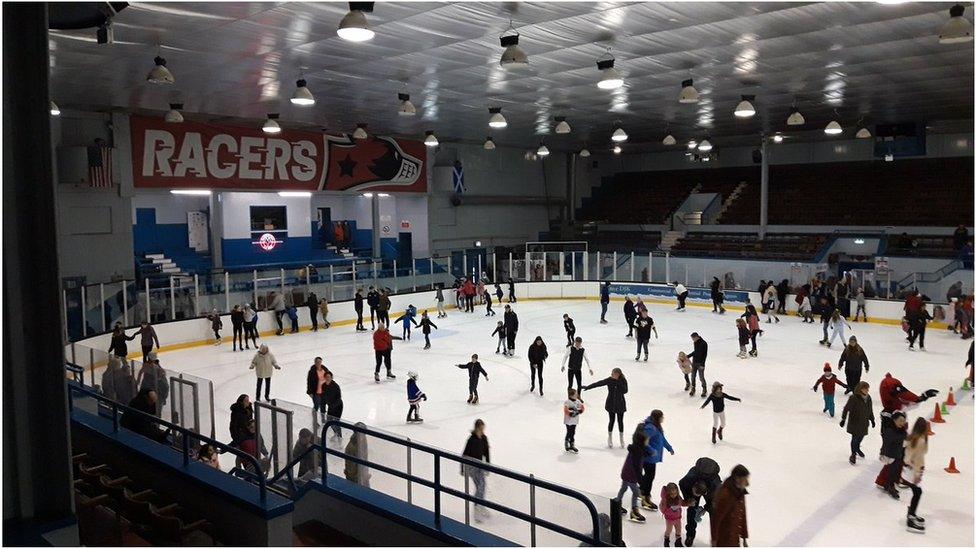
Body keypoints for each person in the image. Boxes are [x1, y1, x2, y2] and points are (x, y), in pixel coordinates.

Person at [678, 457, 722, 547]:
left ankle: (716, 538)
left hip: (711, 491)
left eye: (698, 495)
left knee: (714, 514)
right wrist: (688, 499)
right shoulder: (690, 478)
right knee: (692, 511)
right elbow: (681, 484)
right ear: (693, 486)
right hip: (696, 483)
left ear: (705, 492)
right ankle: (690, 535)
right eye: (695, 493)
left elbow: (716, 500)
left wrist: (706, 508)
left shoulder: (715, 486)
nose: (697, 496)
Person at [582, 368, 628, 448]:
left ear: (618, 374)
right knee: (612, 420)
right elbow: (599, 383)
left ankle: (621, 438)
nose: (611, 374)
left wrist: (617, 382)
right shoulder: (609, 380)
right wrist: (588, 387)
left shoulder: (623, 380)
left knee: (620, 421)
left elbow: (625, 391)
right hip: (611, 403)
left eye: (613, 373)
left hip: (620, 403)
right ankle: (610, 437)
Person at [638, 409, 674, 512]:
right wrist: (651, 450)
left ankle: (642, 491)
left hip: (652, 458)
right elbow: (643, 440)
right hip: (648, 457)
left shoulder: (657, 427)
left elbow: (662, 439)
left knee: (649, 476)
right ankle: (645, 497)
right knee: (650, 477)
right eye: (662, 417)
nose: (663, 418)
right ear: (658, 418)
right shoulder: (651, 428)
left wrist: (669, 447)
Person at [710, 464, 750, 548]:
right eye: (745, 479)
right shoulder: (726, 494)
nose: (747, 483)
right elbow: (716, 519)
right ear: (737, 478)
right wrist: (714, 540)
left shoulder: (740, 492)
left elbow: (742, 515)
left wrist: (744, 536)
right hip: (724, 539)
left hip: (735, 537)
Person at [902, 417, 929, 533]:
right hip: (913, 471)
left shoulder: (911, 437)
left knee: (916, 492)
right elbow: (919, 459)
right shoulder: (920, 441)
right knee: (918, 492)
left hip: (906, 469)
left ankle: (911, 514)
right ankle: (911, 518)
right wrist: (918, 474)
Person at [461, 419, 491, 521]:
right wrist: (462, 468)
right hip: (472, 467)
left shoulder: (484, 438)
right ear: (477, 428)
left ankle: (480, 506)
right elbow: (464, 454)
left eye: (483, 428)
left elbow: (486, 453)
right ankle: (477, 508)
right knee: (480, 486)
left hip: (480, 466)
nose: (483, 431)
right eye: (481, 429)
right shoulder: (471, 440)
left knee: (482, 486)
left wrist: (488, 466)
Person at [840, 381, 875, 465]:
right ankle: (853, 454)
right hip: (855, 422)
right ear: (860, 389)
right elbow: (846, 408)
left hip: (864, 422)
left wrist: (872, 419)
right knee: (855, 438)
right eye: (865, 388)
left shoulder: (868, 398)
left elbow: (870, 409)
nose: (867, 390)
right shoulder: (854, 398)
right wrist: (843, 419)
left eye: (867, 388)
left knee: (861, 437)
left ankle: (857, 448)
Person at [618, 431, 649, 524]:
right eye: (647, 440)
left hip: (626, 473)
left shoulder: (636, 449)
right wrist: (641, 481)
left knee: (623, 488)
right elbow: (637, 468)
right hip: (631, 475)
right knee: (636, 492)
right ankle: (634, 511)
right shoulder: (637, 453)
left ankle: (617, 503)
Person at [877, 410, 908, 501]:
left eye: (903, 421)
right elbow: (886, 444)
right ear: (894, 420)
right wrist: (883, 454)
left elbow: (905, 439)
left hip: (898, 454)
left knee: (894, 471)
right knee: (891, 472)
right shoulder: (889, 431)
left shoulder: (902, 430)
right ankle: (890, 486)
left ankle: (889, 485)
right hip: (890, 455)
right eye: (900, 420)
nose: (902, 423)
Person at [660, 482, 689, 547]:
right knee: (668, 530)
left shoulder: (678, 498)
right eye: (671, 494)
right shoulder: (665, 500)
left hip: (678, 518)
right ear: (668, 493)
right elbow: (661, 509)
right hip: (669, 519)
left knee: (679, 530)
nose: (674, 495)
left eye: (675, 493)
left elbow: (683, 503)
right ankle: (666, 540)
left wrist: (688, 503)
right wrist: (666, 506)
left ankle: (678, 541)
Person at [344, 422, 371, 487]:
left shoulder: (362, 440)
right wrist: (354, 477)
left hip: (361, 474)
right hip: (355, 478)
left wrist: (365, 474)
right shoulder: (352, 447)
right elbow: (350, 467)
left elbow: (364, 457)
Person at [320, 370, 343, 439]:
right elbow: (323, 398)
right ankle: (336, 433)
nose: (328, 378)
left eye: (329, 377)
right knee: (329, 421)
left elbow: (338, 398)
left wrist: (332, 406)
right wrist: (323, 410)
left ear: (331, 377)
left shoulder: (335, 386)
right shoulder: (323, 386)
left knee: (336, 422)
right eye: (326, 377)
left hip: (338, 406)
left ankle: (339, 436)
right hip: (330, 406)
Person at [686, 333, 708, 398]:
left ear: (697, 337)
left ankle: (704, 389)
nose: (693, 340)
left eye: (693, 339)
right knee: (693, 376)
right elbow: (695, 351)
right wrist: (688, 356)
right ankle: (693, 388)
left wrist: (702, 364)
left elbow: (705, 355)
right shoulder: (695, 342)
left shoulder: (704, 343)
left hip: (700, 363)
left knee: (701, 377)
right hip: (694, 362)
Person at [563, 388, 585, 453]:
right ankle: (567, 443)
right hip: (568, 421)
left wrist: (579, 411)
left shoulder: (578, 401)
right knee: (569, 432)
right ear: (571, 395)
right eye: (575, 394)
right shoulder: (567, 402)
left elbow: (582, 408)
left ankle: (572, 444)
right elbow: (566, 410)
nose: (576, 395)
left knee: (573, 432)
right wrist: (571, 413)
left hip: (575, 420)